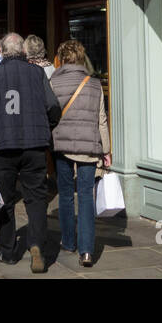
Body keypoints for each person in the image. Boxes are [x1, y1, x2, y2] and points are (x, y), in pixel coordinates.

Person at [0, 33, 63, 273]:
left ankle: (7, 251)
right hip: (34, 145)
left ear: (1, 51)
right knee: (36, 199)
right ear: (23, 52)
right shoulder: (36, 73)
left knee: (4, 200)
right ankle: (36, 245)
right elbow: (53, 106)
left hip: (3, 146)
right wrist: (49, 125)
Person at [49, 39, 112, 268]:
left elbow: (49, 113)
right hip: (89, 147)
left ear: (63, 58)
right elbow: (101, 120)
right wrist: (106, 150)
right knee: (86, 196)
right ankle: (86, 251)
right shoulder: (94, 84)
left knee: (65, 194)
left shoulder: (54, 81)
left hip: (61, 146)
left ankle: (68, 241)